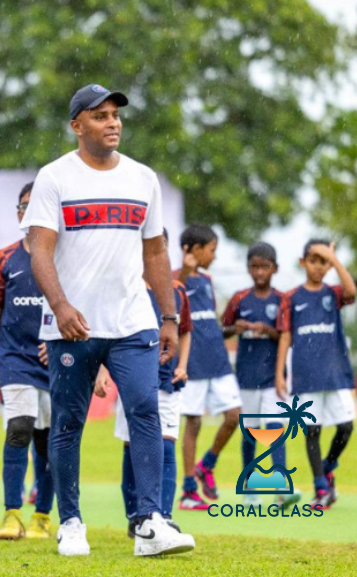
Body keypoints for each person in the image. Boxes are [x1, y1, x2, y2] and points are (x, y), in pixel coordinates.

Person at [20, 83, 195, 556]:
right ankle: (71, 522)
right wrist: (60, 306)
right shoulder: (55, 178)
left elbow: (155, 250)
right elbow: (40, 250)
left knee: (146, 412)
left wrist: (168, 316)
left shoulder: (143, 178)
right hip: (73, 326)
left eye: (115, 114)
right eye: (100, 116)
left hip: (133, 322)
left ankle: (149, 523)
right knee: (69, 422)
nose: (112, 122)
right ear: (77, 125)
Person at [0, 182, 55, 541]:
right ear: (18, 214)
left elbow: (85, 308)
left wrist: (73, 349)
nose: (28, 212)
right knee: (19, 427)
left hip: (57, 362)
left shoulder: (66, 256)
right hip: (15, 360)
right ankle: (12, 515)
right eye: (23, 207)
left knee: (49, 442)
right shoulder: (5, 259)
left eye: (35, 206)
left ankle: (43, 517)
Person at [98, 229, 193, 537]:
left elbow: (185, 330)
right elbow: (105, 330)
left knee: (165, 444)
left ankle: (161, 515)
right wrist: (102, 370)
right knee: (131, 447)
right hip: (132, 382)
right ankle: (135, 515)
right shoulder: (124, 288)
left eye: (159, 245)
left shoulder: (175, 290)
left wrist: (182, 364)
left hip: (167, 381)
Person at [275, 239, 357, 509]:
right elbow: (285, 337)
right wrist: (279, 374)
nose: (318, 267)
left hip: (334, 373)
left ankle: (328, 465)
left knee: (346, 426)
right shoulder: (291, 298)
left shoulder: (333, 293)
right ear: (303, 262)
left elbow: (351, 291)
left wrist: (334, 259)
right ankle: (321, 488)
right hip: (305, 375)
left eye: (323, 262)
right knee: (312, 431)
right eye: (314, 260)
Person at [222, 242, 298, 508]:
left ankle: (282, 490)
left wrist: (269, 331)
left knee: (277, 429)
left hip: (272, 378)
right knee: (250, 433)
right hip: (245, 377)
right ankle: (249, 488)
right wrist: (235, 327)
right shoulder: (240, 298)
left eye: (265, 267)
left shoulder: (282, 301)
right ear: (248, 268)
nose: (259, 272)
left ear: (274, 268)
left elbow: (288, 337)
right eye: (254, 267)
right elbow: (221, 331)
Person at [175, 225, 241, 511]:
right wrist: (184, 271)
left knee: (234, 417)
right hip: (194, 362)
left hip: (217, 358)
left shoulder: (207, 280)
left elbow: (207, 319)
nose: (214, 256)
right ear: (193, 250)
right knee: (194, 422)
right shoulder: (174, 278)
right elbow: (172, 301)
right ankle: (189, 489)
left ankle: (207, 464)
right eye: (211, 250)